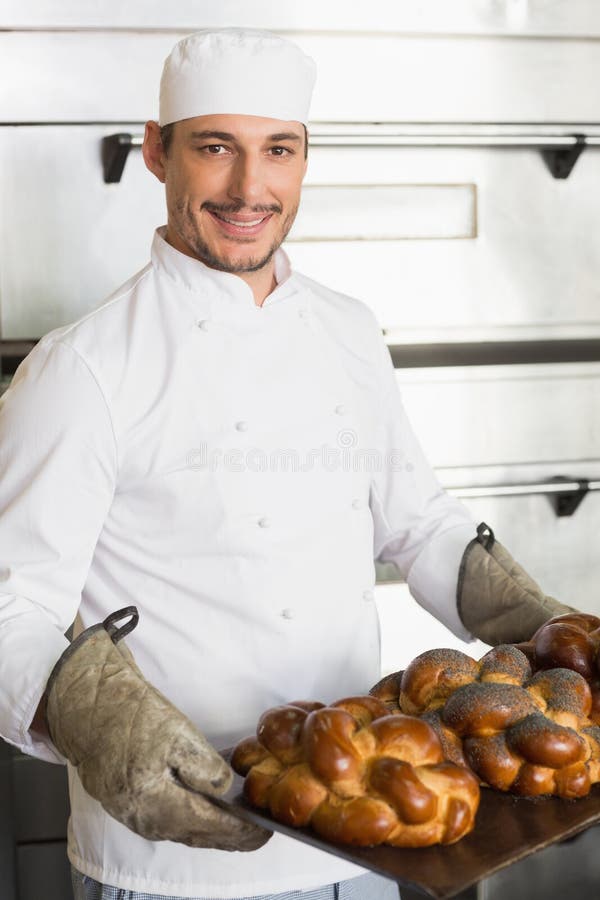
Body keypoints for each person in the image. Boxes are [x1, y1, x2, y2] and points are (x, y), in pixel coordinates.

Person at [0, 28, 572, 900]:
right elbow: (13, 605)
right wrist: (97, 723)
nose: (248, 188)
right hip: (170, 866)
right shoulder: (82, 368)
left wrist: (538, 621)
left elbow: (420, 526)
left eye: (278, 151)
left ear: (305, 160)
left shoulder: (346, 329)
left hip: (366, 837)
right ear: (158, 153)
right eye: (214, 147)